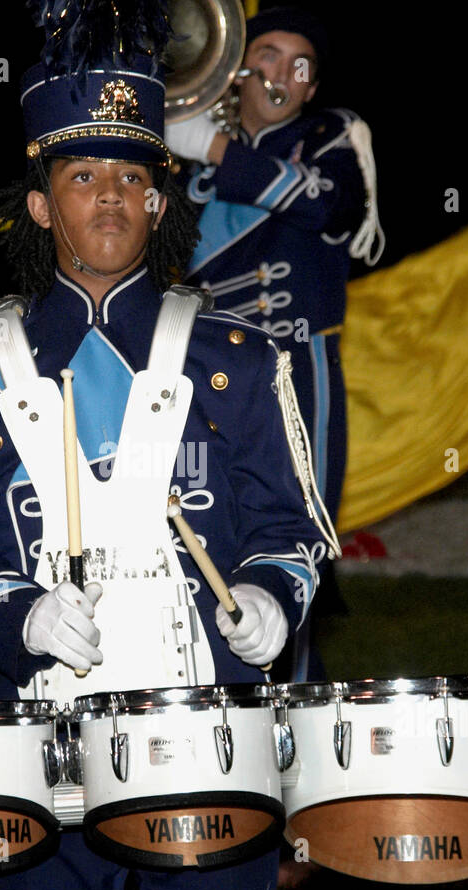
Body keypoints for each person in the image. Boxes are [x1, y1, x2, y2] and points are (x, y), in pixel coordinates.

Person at [0, 25, 328, 890]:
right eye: (84, 178)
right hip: (39, 744)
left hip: (211, 742)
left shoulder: (240, 359)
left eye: (133, 179)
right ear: (39, 205)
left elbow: (288, 528)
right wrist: (20, 617)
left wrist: (269, 600)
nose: (111, 199)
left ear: (159, 202)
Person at [165, 5, 383, 684]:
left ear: (313, 86)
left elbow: (328, 206)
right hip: (205, 371)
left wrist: (219, 151)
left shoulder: (331, 134)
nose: (281, 74)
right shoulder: (182, 148)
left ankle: (293, 710)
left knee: (293, 538)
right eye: (266, 56)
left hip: (296, 368)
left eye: (300, 65)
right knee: (206, 529)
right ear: (235, 66)